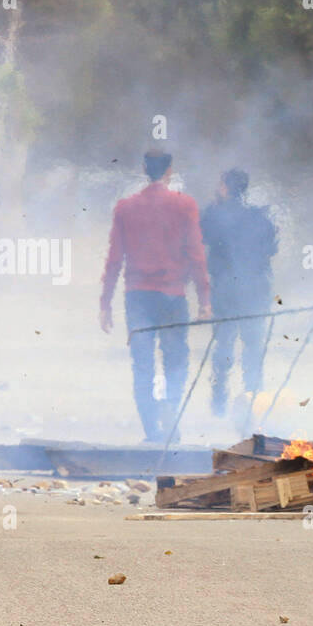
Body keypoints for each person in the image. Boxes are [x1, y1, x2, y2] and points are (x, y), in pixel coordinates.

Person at [101, 149, 211, 443]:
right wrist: (204, 300)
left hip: (137, 297)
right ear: (170, 170)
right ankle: (172, 421)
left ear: (144, 168)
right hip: (173, 296)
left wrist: (105, 303)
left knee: (143, 365)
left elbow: (114, 258)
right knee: (175, 361)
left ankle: (152, 431)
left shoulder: (125, 207)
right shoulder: (185, 205)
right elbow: (196, 254)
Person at [200, 168, 277, 421]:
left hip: (225, 292)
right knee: (253, 347)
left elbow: (203, 241)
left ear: (225, 186)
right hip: (255, 290)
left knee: (223, 344)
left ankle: (219, 404)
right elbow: (270, 252)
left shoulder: (213, 215)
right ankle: (253, 400)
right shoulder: (260, 218)